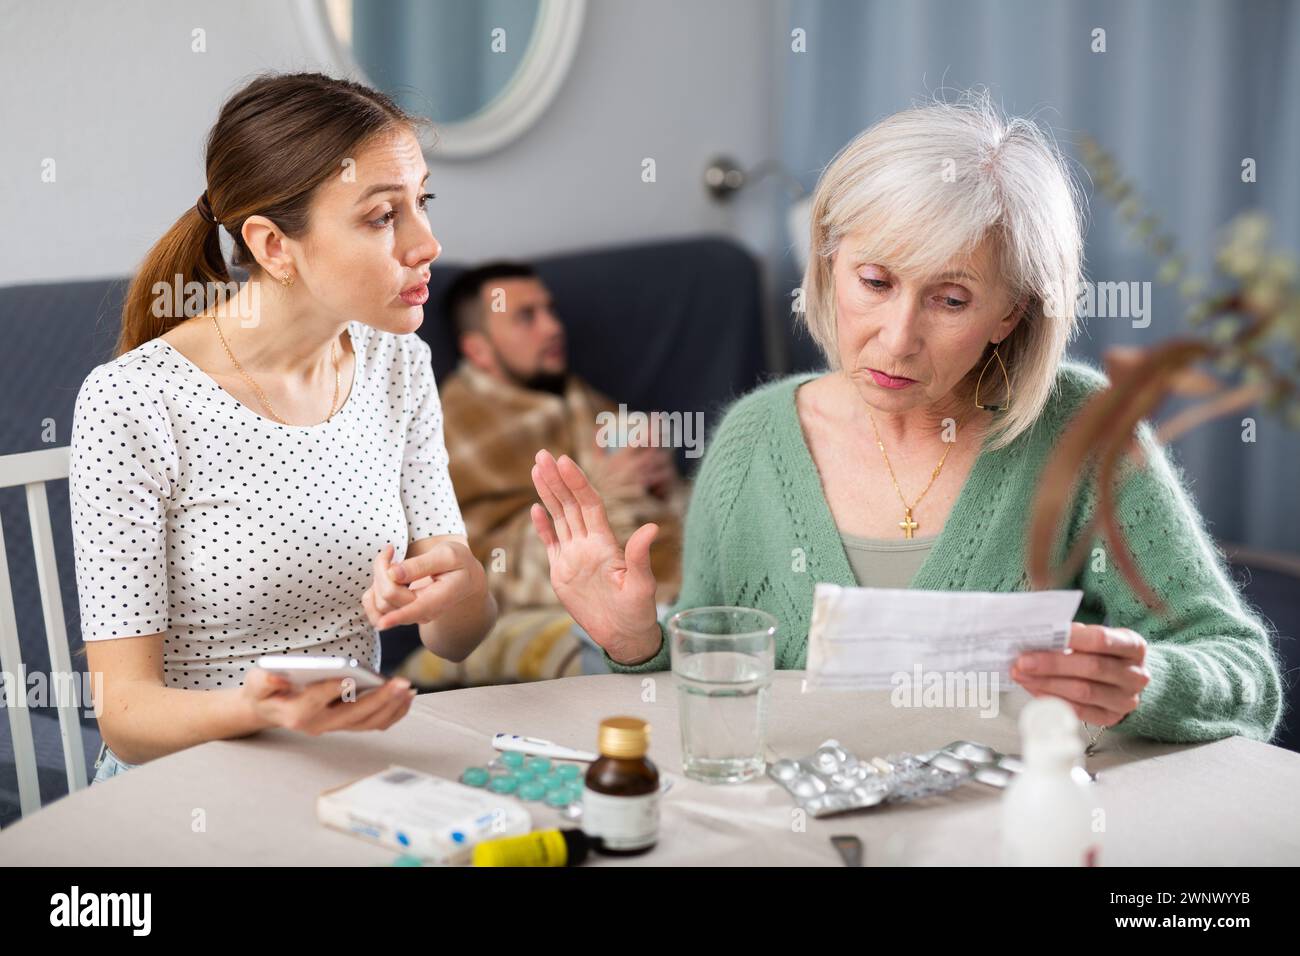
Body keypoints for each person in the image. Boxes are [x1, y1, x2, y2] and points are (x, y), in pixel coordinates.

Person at [526, 93, 1284, 745]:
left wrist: (1144, 683)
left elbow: (1246, 675)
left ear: (1010, 313)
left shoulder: (1085, 429)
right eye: (875, 281)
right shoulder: (753, 439)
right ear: (828, 264)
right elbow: (709, 689)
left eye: (951, 300)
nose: (896, 338)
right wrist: (636, 643)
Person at [70, 72, 496, 782]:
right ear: (272, 245)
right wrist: (262, 710)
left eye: (421, 202)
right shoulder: (133, 402)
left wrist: (463, 587)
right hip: (188, 785)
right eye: (382, 216)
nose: (428, 244)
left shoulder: (399, 365)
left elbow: (456, 638)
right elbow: (127, 718)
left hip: (345, 771)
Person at [395, 262, 687, 687]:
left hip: (655, 578)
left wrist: (659, 483)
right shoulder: (451, 420)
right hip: (526, 599)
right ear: (478, 350)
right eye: (526, 317)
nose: (553, 327)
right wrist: (602, 492)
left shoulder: (580, 397)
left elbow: (666, 510)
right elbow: (480, 564)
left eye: (549, 311)